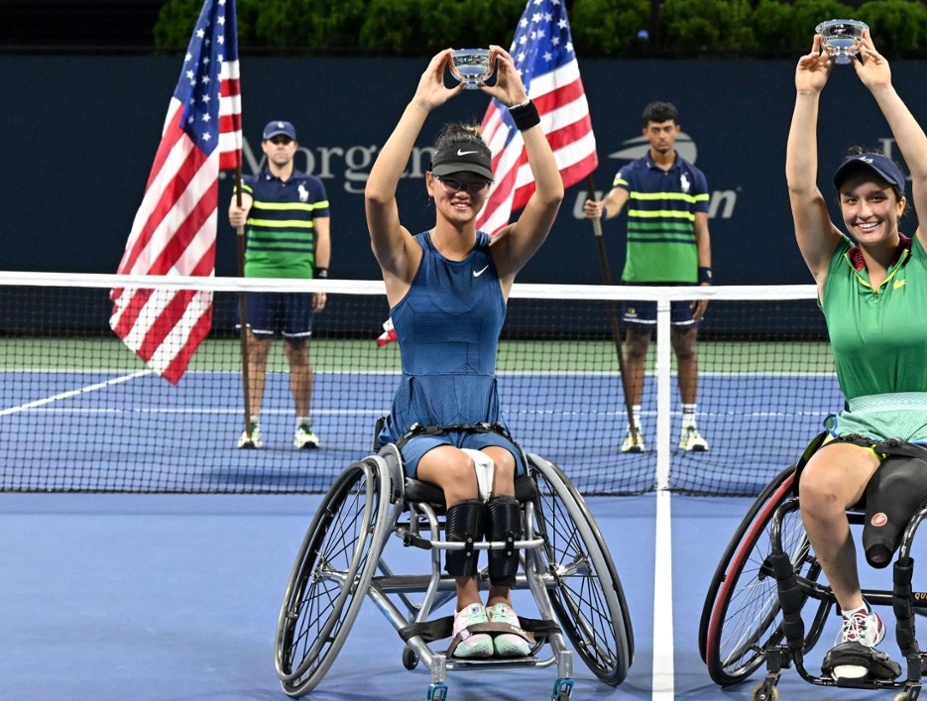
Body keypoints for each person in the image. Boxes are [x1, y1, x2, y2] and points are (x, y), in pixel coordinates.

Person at [365, 47, 563, 659]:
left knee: (503, 468)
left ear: (486, 190)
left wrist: (521, 106)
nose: (462, 191)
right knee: (457, 470)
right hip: (420, 432)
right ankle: (466, 606)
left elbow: (551, 196)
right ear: (430, 184)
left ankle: (504, 607)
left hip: (485, 426)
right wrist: (423, 101)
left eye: (474, 182)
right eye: (451, 180)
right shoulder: (405, 259)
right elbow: (376, 196)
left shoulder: (498, 260)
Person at [784, 33, 927, 681]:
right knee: (816, 487)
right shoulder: (831, 267)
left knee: (885, 528)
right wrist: (809, 95)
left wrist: (881, 89)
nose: (862, 210)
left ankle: (877, 584)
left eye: (875, 198)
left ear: (897, 206)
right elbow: (799, 186)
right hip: (862, 425)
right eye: (852, 200)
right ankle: (857, 618)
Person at [583, 101, 712, 454]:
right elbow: (615, 201)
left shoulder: (694, 178)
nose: (661, 135)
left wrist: (705, 280)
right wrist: (601, 210)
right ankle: (634, 429)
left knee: (686, 348)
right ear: (645, 133)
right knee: (636, 348)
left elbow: (702, 231)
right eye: (655, 129)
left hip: (684, 279)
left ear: (676, 131)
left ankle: (689, 427)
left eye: (667, 128)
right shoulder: (630, 173)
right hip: (640, 278)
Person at [228, 120, 331, 450]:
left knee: (298, 352)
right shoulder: (247, 183)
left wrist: (322, 278)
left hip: (299, 282)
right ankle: (251, 426)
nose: (281, 146)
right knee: (255, 352)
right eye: (275, 141)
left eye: (286, 141)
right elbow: (237, 209)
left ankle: (303, 426)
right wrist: (237, 215)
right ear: (264, 146)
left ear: (295, 147)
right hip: (257, 281)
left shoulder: (313, 187)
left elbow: (322, 235)